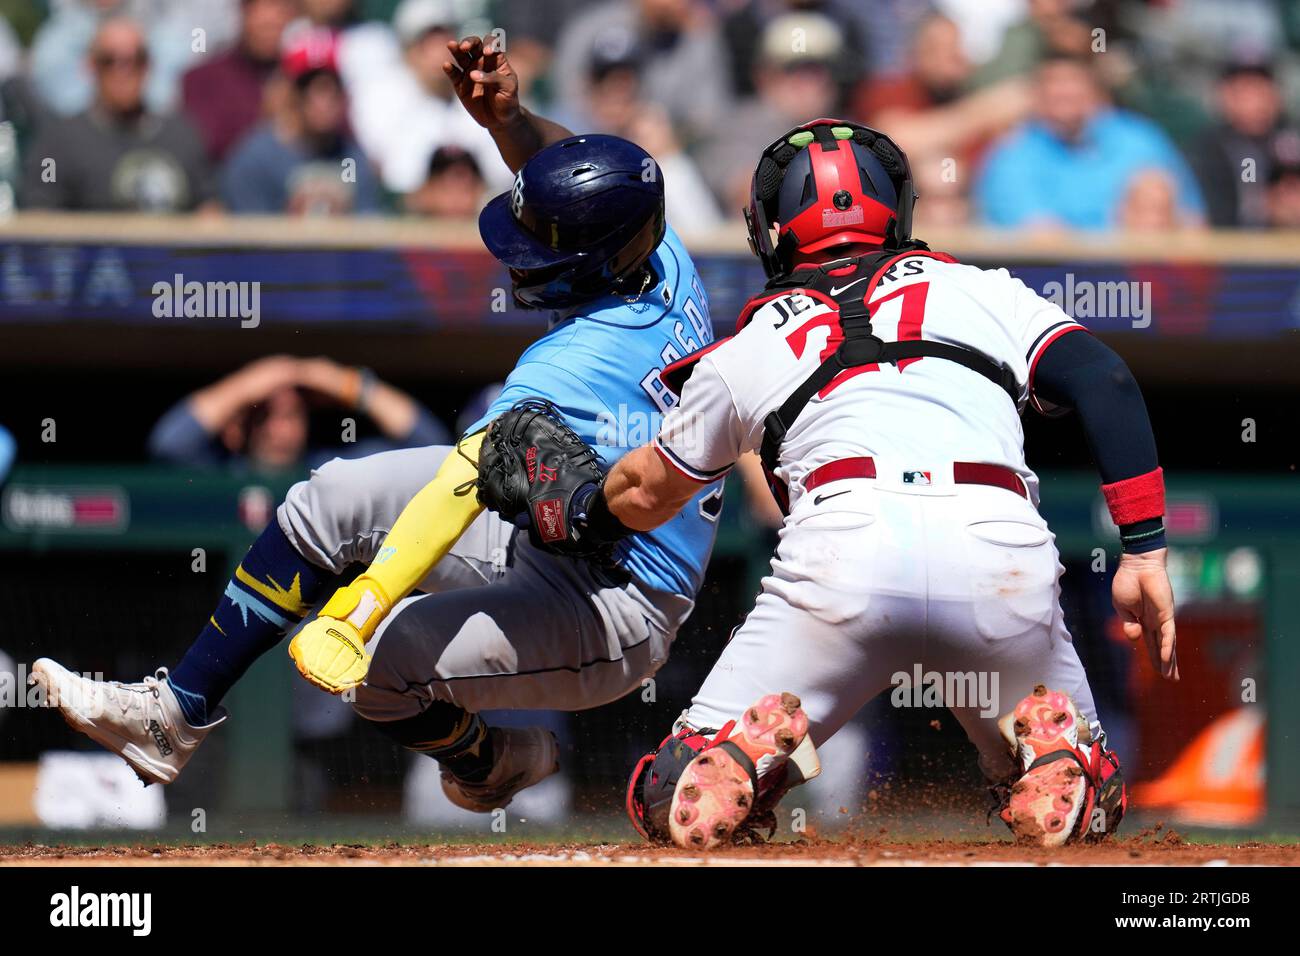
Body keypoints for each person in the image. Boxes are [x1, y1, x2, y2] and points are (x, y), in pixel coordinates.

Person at [32, 36, 727, 816]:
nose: (520, 254)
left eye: (541, 244)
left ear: (592, 262)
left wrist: (362, 606)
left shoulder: (577, 359)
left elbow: (460, 487)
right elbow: (580, 172)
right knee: (329, 497)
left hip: (616, 606)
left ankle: (491, 760)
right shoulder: (656, 249)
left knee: (378, 669)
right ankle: (173, 715)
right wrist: (510, 123)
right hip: (551, 531)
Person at [541, 119, 1177, 849]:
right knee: (1084, 810)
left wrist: (577, 505)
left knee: (667, 797)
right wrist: (1143, 551)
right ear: (898, 211)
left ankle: (743, 751)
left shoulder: (747, 346)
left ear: (772, 229)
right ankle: (1051, 754)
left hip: (842, 553)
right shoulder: (981, 289)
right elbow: (1106, 380)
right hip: (997, 547)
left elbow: (647, 495)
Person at [974, 53, 1204, 231]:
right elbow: (1042, 238)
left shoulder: (1140, 139)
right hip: (1051, 275)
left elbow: (1190, 219)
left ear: (1096, 93)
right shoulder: (1013, 153)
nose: (1065, 95)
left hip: (1140, 271)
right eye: (1055, 90)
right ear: (1036, 97)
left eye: (1074, 87)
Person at [21, 17, 214, 212]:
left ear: (149, 66)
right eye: (109, 61)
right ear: (90, 66)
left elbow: (208, 208)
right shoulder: (57, 144)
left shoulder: (182, 135)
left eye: (136, 60)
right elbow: (40, 216)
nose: (123, 71)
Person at [147, 355, 451, 473]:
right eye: (264, 417)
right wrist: (245, 386)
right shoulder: (224, 472)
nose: (279, 431)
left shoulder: (329, 470)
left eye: (292, 416)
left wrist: (343, 383)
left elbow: (430, 445)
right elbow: (168, 444)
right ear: (240, 430)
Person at [221, 33, 382, 215]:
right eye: (309, 86)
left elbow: (368, 221)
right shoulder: (255, 160)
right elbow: (248, 229)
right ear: (291, 93)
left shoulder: (351, 159)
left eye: (334, 86)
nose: (324, 100)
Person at [181, 0, 298, 163]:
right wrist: (264, 116)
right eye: (259, 11)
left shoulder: (301, 78)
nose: (271, 22)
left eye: (281, 11)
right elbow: (204, 146)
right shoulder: (203, 79)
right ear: (242, 13)